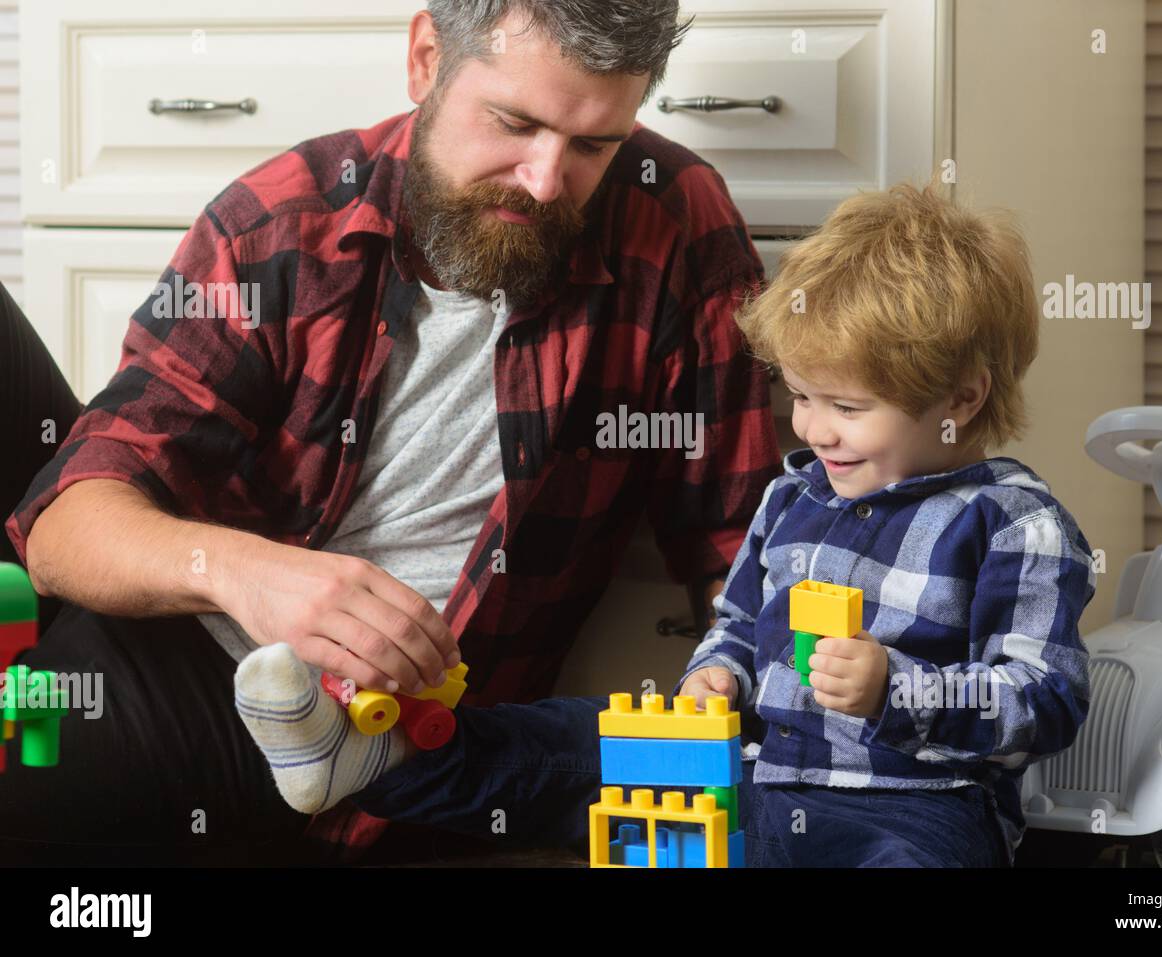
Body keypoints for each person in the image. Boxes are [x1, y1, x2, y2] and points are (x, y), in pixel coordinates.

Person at [0, 1, 781, 864]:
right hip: (184, 647)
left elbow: (740, 546)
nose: (546, 179)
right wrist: (247, 574)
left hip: (380, 745)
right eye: (514, 122)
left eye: (595, 144)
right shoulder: (282, 219)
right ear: (425, 60)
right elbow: (64, 528)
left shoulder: (673, 222)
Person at [235, 182, 1098, 867]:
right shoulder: (795, 499)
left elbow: (1045, 701)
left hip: (910, 808)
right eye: (800, 396)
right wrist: (716, 678)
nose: (812, 428)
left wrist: (893, 688)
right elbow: (739, 630)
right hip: (754, 776)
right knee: (569, 739)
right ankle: (374, 759)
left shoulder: (1012, 525)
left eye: (846, 405)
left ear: (961, 398)